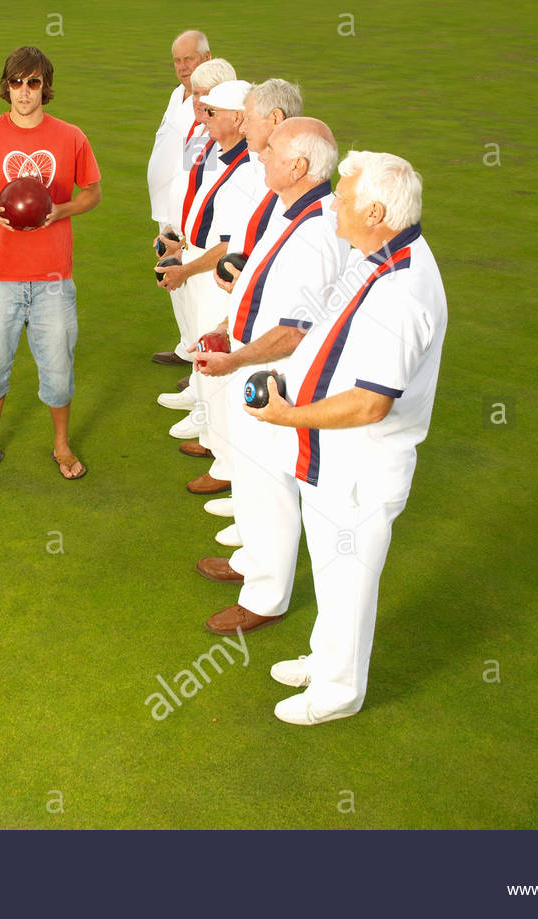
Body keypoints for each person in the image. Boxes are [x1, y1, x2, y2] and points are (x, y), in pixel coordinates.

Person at [246, 151, 447, 725]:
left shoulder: (402, 291)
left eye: (346, 196)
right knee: (333, 572)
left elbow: (370, 402)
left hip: (361, 465)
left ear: (377, 211)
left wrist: (288, 417)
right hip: (333, 457)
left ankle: (338, 692)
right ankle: (324, 657)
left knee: (350, 575)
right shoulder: (376, 255)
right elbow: (329, 340)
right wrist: (289, 380)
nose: (333, 201)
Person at [191, 117, 348, 642]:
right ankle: (255, 562)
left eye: (272, 151)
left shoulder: (316, 230)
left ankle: (266, 596)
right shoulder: (293, 210)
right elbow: (259, 287)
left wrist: (235, 361)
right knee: (256, 484)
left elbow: (294, 330)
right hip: (253, 362)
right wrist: (224, 328)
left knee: (268, 483)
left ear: (299, 166)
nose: (262, 156)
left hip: (274, 377)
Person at [0, 45, 102, 480]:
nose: (24, 91)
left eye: (33, 82)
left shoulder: (71, 136)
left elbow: (91, 192)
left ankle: (61, 444)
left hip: (54, 277)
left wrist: (60, 209)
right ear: (6, 86)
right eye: (16, 82)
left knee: (58, 367)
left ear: (45, 87)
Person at [155, 78, 257, 497]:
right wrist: (176, 240)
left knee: (220, 364)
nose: (204, 116)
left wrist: (186, 267)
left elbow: (230, 244)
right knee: (205, 358)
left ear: (238, 118)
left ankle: (230, 465)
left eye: (212, 111)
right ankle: (216, 442)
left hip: (216, 274)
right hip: (198, 261)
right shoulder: (221, 151)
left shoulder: (249, 168)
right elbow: (199, 204)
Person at [153, 57, 236, 421]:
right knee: (193, 321)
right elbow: (190, 184)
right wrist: (173, 231)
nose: (197, 101)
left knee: (212, 332)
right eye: (196, 94)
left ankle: (210, 420)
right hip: (187, 241)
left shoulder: (233, 142)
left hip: (212, 251)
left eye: (204, 95)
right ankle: (198, 398)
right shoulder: (198, 131)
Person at [147, 29, 211, 366]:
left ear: (207, 58)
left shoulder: (207, 106)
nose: (183, 66)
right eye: (177, 61)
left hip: (185, 214)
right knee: (174, 279)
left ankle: (203, 360)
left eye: (189, 59)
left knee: (193, 283)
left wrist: (180, 220)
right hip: (167, 209)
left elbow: (200, 171)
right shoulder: (178, 95)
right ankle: (187, 345)